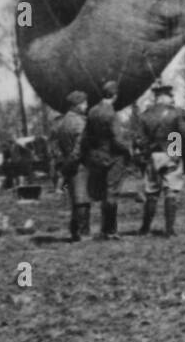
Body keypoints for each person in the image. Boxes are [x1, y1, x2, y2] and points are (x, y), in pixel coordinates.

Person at [83, 80, 131, 240]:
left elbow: (87, 135)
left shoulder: (92, 111)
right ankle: (110, 230)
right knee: (111, 193)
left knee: (103, 193)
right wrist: (128, 150)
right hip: (112, 157)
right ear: (115, 95)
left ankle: (105, 229)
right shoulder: (111, 113)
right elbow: (117, 139)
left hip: (97, 156)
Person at [137, 81, 185, 237]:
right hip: (171, 150)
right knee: (171, 190)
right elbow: (182, 133)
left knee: (151, 192)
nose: (172, 98)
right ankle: (170, 230)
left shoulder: (145, 115)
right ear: (165, 96)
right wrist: (175, 153)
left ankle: (145, 228)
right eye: (170, 96)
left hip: (153, 154)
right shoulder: (176, 113)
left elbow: (141, 140)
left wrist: (147, 155)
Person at [50, 90, 90, 242]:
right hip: (79, 164)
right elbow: (80, 146)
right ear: (79, 104)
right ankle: (81, 234)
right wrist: (72, 162)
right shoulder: (79, 122)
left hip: (69, 162)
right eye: (84, 103)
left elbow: (56, 145)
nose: (86, 106)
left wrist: (64, 163)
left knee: (75, 199)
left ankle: (76, 232)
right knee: (82, 199)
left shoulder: (62, 121)